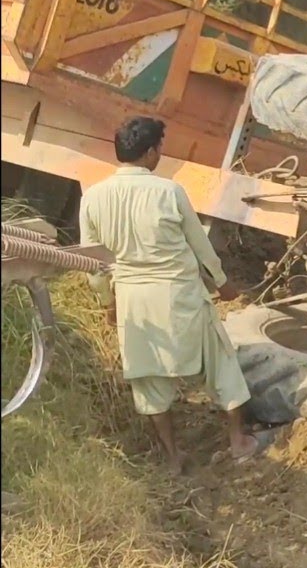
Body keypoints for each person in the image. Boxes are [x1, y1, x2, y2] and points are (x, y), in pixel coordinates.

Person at [79, 117, 271, 474]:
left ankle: (172, 459)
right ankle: (239, 442)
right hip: (181, 296)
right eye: (160, 149)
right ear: (150, 152)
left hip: (134, 304)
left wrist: (108, 303)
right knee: (222, 366)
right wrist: (223, 283)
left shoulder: (92, 198)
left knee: (149, 384)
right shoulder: (169, 192)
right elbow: (200, 246)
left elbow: (94, 264)